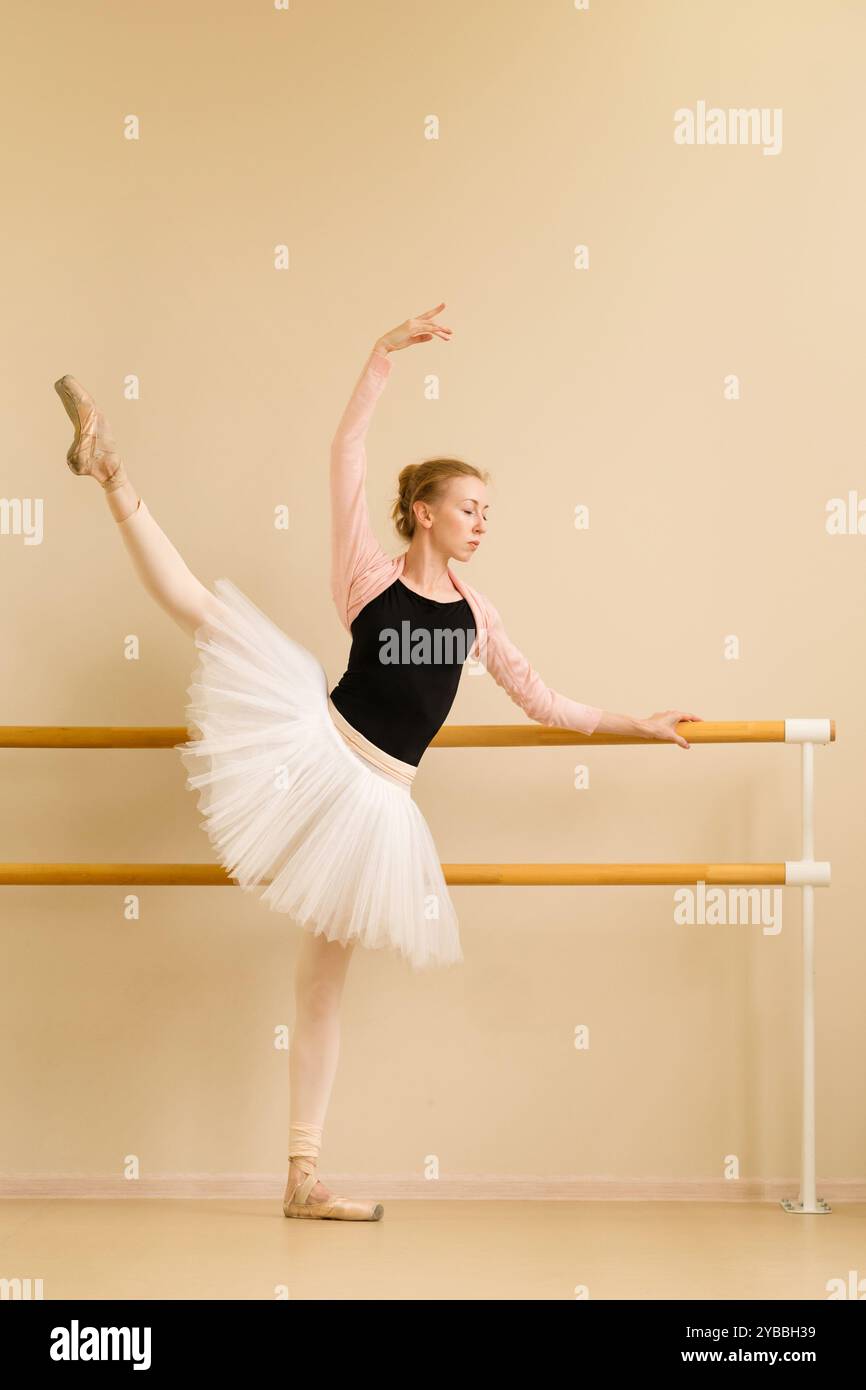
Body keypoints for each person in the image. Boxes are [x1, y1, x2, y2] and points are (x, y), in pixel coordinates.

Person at [53, 301, 701, 1221]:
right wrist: (378, 358)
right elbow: (344, 456)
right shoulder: (368, 575)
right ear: (424, 513)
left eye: (488, 512)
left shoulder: (477, 616)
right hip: (317, 748)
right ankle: (112, 474)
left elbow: (544, 700)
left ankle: (301, 1177)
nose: (482, 523)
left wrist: (639, 724)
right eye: (469, 508)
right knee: (210, 613)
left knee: (320, 988)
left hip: (379, 804)